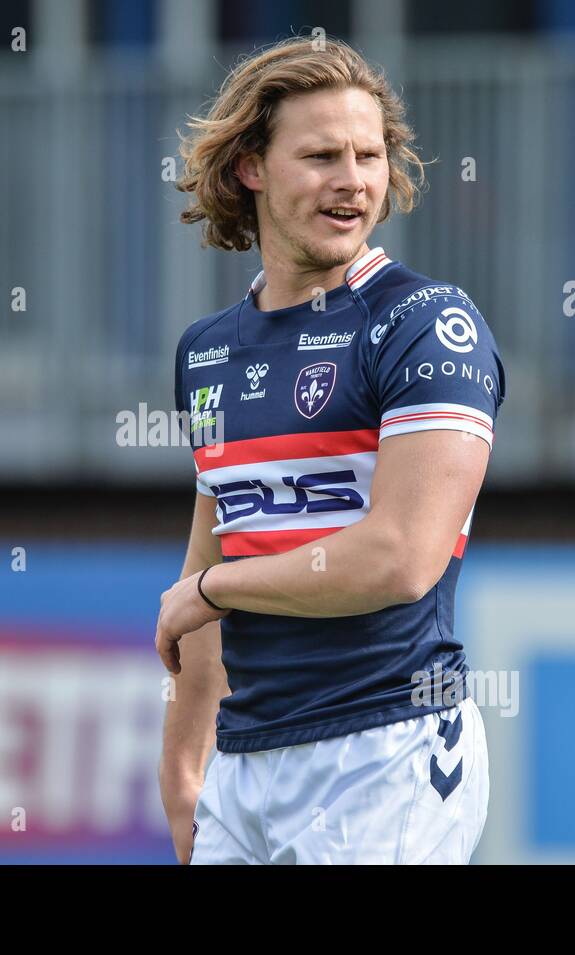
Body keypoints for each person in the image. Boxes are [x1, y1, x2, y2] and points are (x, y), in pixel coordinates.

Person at [156, 35, 507, 865]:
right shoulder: (207, 352)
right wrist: (182, 765)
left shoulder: (428, 323)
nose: (353, 179)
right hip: (243, 770)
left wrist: (210, 588)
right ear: (251, 169)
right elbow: (213, 558)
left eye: (370, 154)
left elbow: (401, 558)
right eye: (320, 156)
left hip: (386, 749)